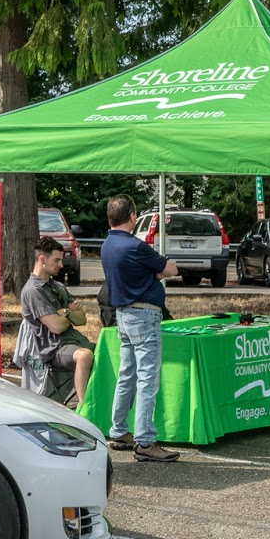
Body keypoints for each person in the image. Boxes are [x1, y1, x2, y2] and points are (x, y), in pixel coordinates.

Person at [99, 195, 180, 462]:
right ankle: (145, 441)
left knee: (127, 375)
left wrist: (150, 273)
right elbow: (171, 269)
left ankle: (119, 430)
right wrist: (154, 273)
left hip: (123, 314)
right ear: (132, 216)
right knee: (147, 379)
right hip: (144, 315)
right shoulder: (136, 247)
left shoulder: (106, 246)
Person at [16, 237, 96, 404]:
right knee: (85, 356)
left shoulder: (58, 287)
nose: (61, 265)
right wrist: (69, 314)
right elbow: (56, 327)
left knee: (110, 351)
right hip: (52, 349)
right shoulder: (33, 291)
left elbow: (82, 319)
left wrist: (63, 312)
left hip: (73, 342)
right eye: (57, 260)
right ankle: (86, 410)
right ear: (42, 259)